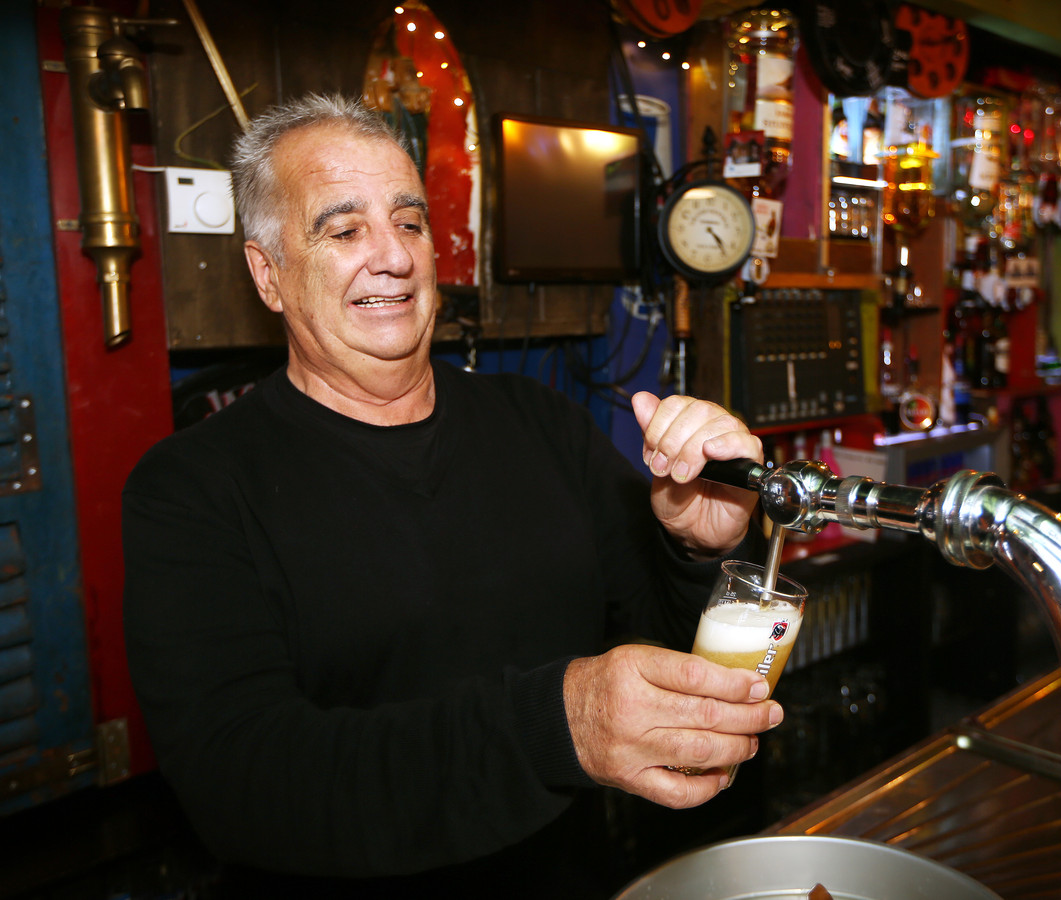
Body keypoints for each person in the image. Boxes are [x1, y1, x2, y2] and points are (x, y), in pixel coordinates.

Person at [121, 93, 776, 897]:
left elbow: (674, 666)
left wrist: (699, 548)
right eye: (343, 229)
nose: (392, 256)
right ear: (269, 274)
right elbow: (245, 786)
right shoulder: (191, 491)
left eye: (410, 221)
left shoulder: (544, 426)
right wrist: (554, 727)